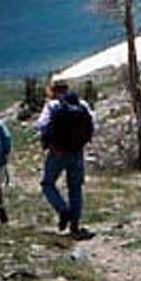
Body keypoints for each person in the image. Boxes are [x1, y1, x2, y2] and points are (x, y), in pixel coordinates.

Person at [35, 81, 96, 239]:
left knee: (47, 183)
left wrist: (50, 142)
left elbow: (41, 125)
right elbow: (92, 123)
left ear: (53, 91)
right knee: (75, 188)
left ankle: (62, 209)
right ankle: (75, 225)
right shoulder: (81, 104)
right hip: (77, 151)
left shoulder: (52, 106)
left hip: (58, 152)